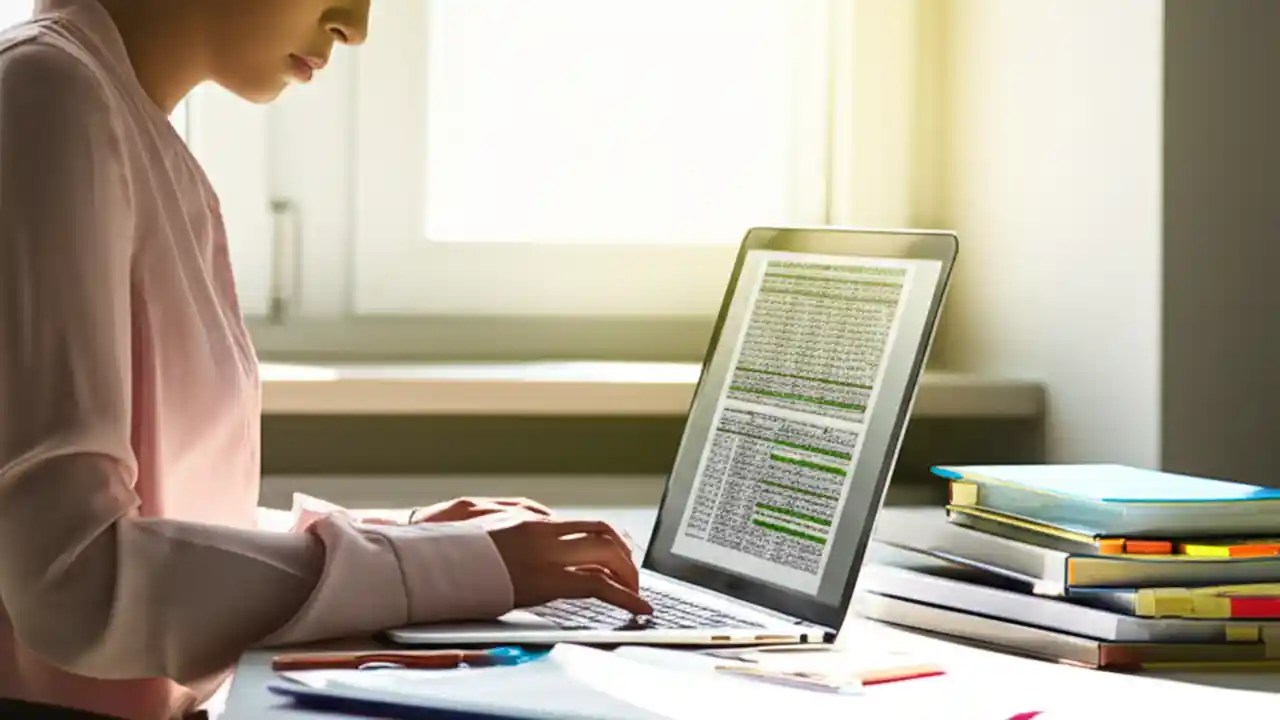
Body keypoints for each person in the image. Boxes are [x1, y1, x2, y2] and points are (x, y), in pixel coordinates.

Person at [0, 1, 652, 718]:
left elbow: (158, 517)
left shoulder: (112, 113)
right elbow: (73, 582)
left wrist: (399, 538)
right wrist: (448, 570)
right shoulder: (47, 98)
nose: (355, 25)